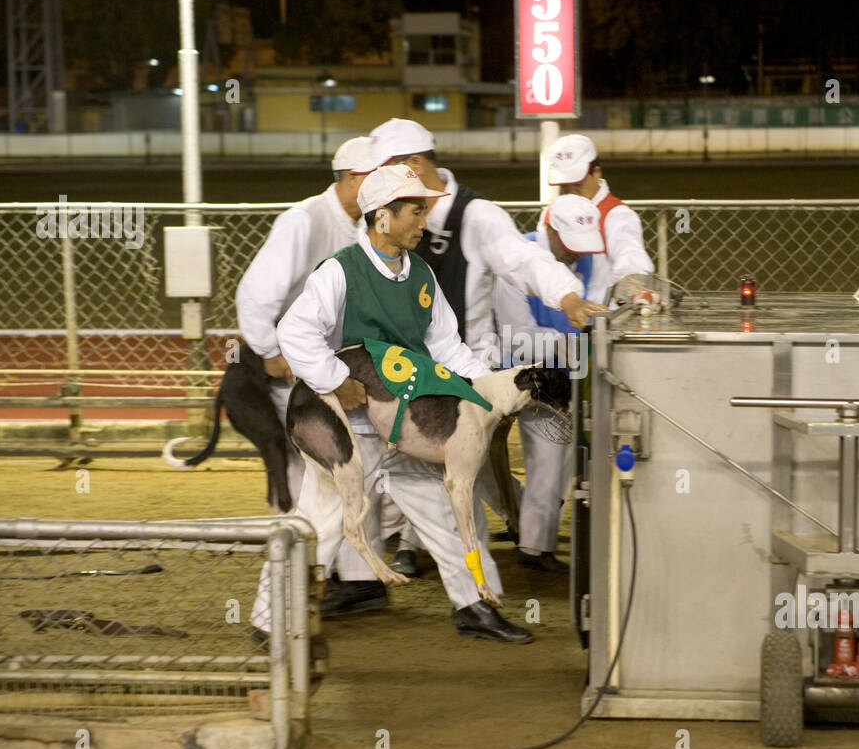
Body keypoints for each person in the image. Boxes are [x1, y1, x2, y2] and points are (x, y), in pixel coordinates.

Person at [251, 164, 534, 643]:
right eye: (415, 212)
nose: (424, 222)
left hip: (412, 424)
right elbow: (294, 331)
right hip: (352, 429)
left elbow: (446, 346)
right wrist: (336, 379)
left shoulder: (420, 272)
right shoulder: (341, 270)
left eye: (425, 211)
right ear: (382, 216)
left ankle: (475, 605)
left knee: (450, 516)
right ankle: (269, 620)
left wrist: (488, 390)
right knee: (319, 522)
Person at [365, 118, 609, 575]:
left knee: (451, 477)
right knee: (421, 470)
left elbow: (524, 258)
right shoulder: (390, 213)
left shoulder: (477, 216)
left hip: (467, 376)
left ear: (414, 164)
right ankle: (396, 562)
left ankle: (470, 587)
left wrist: (566, 295)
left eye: (385, 170)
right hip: (408, 370)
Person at [235, 136, 376, 508]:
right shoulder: (304, 219)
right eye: (377, 178)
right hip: (295, 362)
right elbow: (253, 293)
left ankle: (320, 561)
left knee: (331, 466)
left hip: (331, 361)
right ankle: (292, 560)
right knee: (313, 465)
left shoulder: (360, 227)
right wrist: (269, 349)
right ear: (353, 178)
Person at [493, 194, 609, 570]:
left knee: (562, 465)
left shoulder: (590, 258)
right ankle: (533, 548)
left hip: (573, 371)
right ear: (550, 231)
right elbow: (516, 334)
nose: (580, 256)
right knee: (546, 460)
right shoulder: (516, 258)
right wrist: (574, 345)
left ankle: (534, 537)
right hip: (530, 373)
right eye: (573, 247)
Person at [546, 133, 658, 304]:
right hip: (558, 318)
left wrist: (635, 287)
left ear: (597, 172)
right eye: (564, 185)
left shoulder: (618, 215)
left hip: (600, 319)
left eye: (577, 184)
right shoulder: (551, 212)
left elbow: (629, 254)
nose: (570, 191)